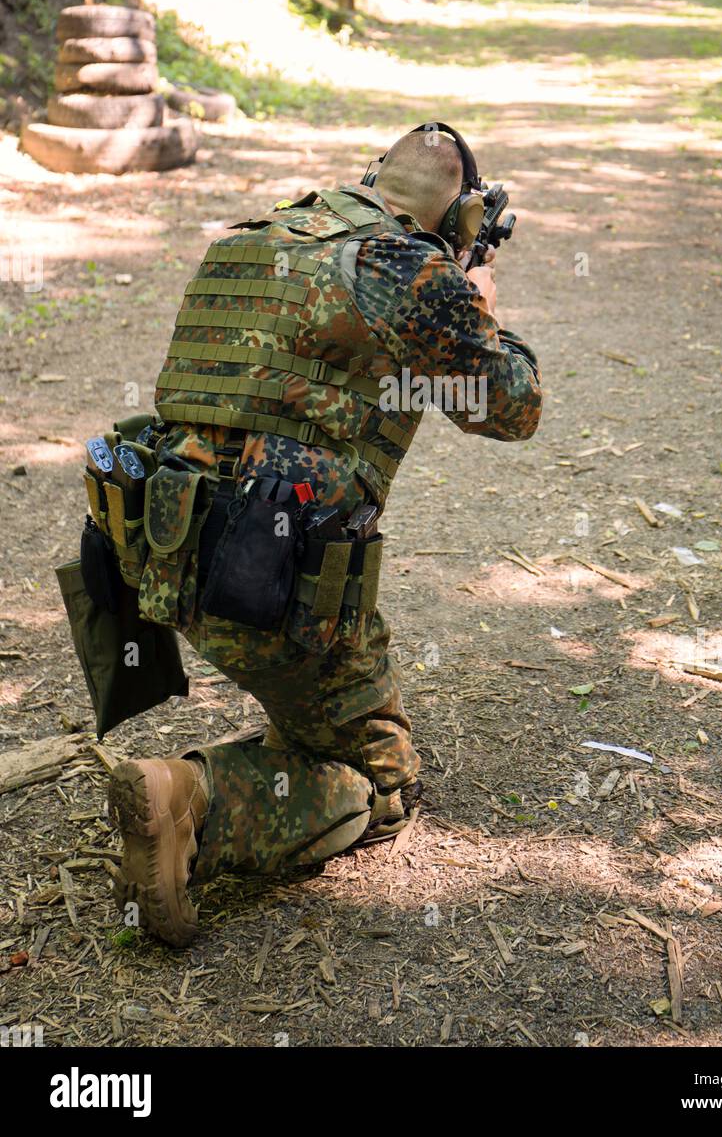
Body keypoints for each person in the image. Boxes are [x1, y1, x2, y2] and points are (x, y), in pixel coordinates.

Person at [108, 123, 543, 945]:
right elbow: (511, 406)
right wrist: (481, 304)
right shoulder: (408, 267)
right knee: (378, 785)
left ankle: (285, 725)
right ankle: (191, 798)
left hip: (159, 549)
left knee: (303, 693)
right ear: (461, 219)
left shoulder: (258, 234)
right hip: (270, 577)